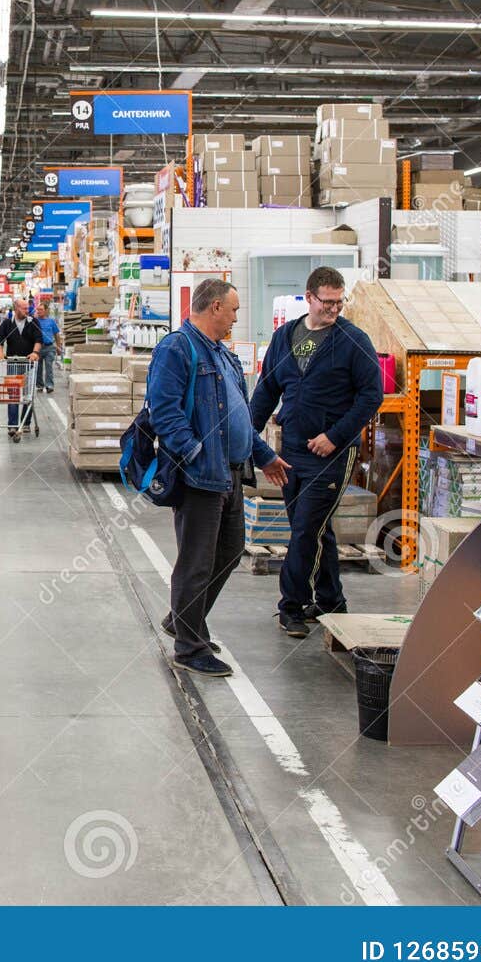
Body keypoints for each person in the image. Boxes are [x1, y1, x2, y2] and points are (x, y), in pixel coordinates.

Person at [148, 278, 290, 677]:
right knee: (195, 562)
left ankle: (183, 620)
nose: (236, 316)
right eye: (233, 309)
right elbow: (164, 411)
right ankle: (189, 647)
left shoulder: (223, 355)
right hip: (200, 476)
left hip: (230, 473)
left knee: (229, 552)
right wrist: (193, 452)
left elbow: (239, 414)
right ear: (213, 308)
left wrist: (264, 456)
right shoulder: (177, 348)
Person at [250, 266, 383, 639]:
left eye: (340, 302)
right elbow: (267, 389)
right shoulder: (285, 337)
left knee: (306, 530)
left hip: (332, 456)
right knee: (312, 529)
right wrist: (247, 436)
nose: (334, 309)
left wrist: (336, 436)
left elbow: (371, 396)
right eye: (327, 302)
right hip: (291, 450)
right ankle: (331, 601)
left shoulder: (354, 340)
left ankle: (290, 608)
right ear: (309, 297)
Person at [0, 299, 43, 441]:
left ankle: (25, 423)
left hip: (29, 364)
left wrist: (35, 353)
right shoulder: (7, 324)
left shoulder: (33, 322)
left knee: (27, 395)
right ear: (16, 308)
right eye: (24, 308)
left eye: (28, 308)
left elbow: (39, 339)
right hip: (13, 364)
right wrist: (0, 353)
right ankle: (13, 425)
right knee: (13, 395)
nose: (27, 311)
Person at [34, 302, 62, 393]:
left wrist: (58, 346)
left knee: (49, 366)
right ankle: (39, 385)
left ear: (46, 311)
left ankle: (49, 385)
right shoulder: (34, 321)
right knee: (38, 368)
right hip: (38, 348)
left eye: (41, 310)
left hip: (49, 347)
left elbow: (56, 334)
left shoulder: (51, 321)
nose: (39, 311)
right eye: (38, 310)